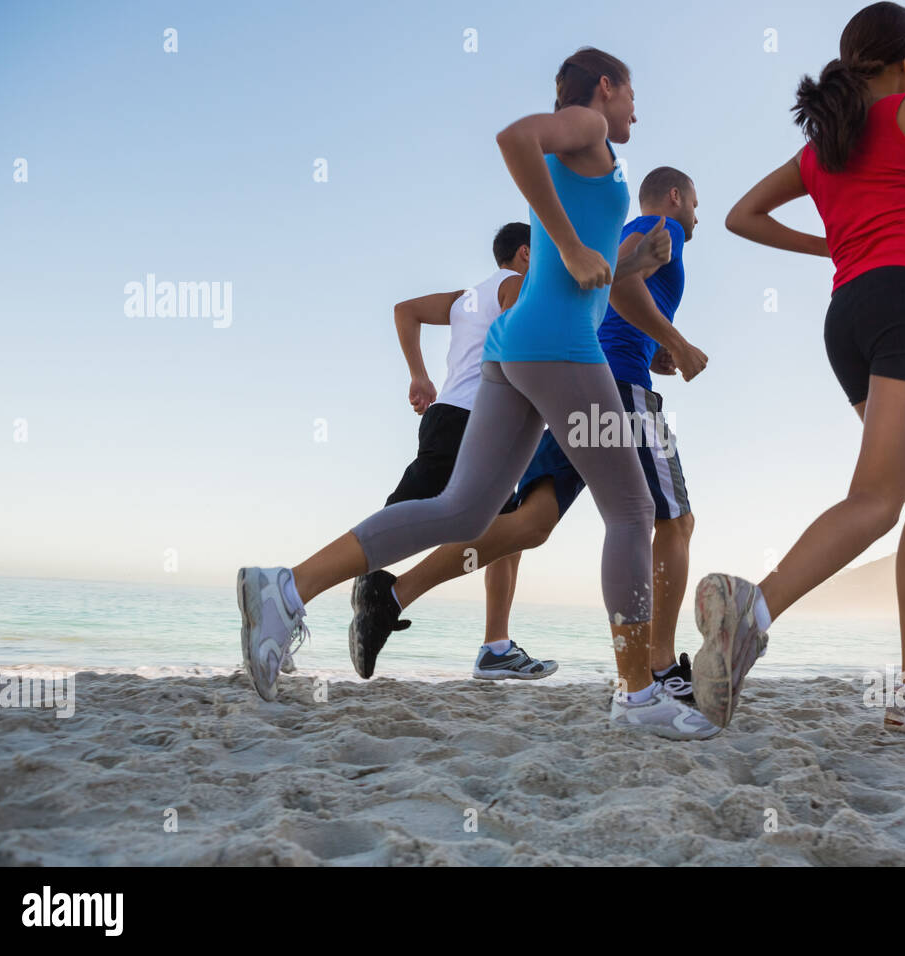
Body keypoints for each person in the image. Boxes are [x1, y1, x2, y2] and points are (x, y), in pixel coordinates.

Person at [236, 48, 718, 740]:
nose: (636, 108)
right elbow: (512, 140)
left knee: (463, 509)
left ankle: (285, 588)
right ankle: (637, 692)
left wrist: (623, 262)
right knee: (633, 508)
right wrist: (573, 246)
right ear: (605, 87)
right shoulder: (584, 125)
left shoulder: (591, 162)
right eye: (632, 92)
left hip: (517, 347)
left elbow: (580, 270)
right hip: (556, 347)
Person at [699, 1, 905, 732]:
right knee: (878, 501)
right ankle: (753, 610)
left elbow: (740, 215)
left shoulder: (823, 147)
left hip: (849, 320)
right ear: (903, 59)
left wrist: (831, 246)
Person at [355, 167, 708, 701]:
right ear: (675, 197)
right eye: (695, 205)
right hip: (614, 388)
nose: (697, 217)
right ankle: (658, 667)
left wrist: (651, 342)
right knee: (675, 521)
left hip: (568, 379)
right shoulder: (662, 225)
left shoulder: (617, 237)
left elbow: (610, 296)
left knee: (530, 523)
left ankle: (396, 597)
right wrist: (675, 342)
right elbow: (621, 285)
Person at [346, 222, 558, 682]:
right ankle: (363, 584)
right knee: (427, 515)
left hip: (448, 417)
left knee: (506, 533)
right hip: (478, 421)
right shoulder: (518, 285)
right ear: (525, 254)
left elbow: (404, 311)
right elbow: (514, 332)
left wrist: (418, 375)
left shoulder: (466, 297)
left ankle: (495, 645)